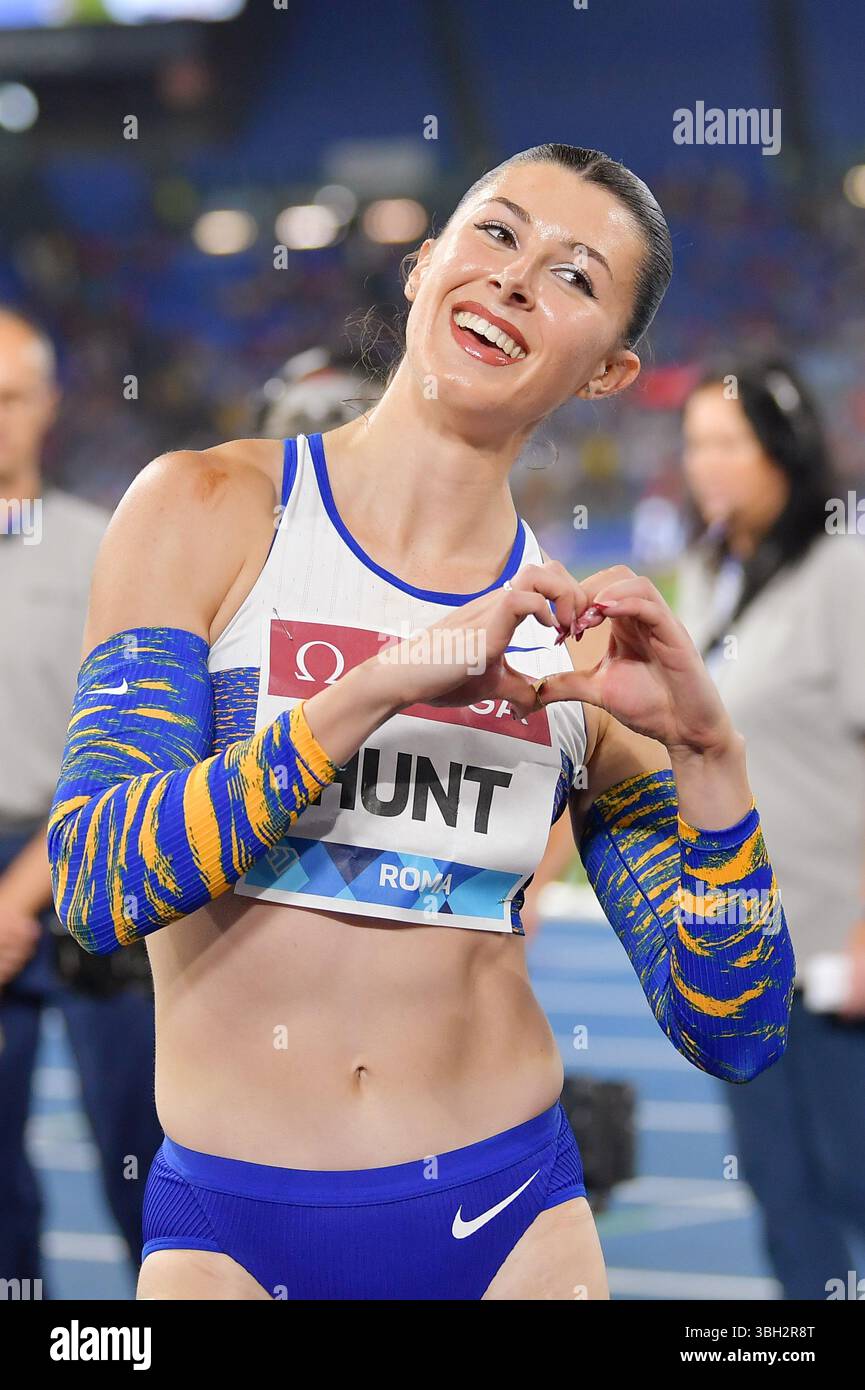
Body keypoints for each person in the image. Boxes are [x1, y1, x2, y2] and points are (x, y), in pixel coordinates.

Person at [47, 145, 795, 1301]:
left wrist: (707, 756)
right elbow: (99, 886)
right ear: (422, 264)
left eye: (574, 276)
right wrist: (385, 682)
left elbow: (734, 1025)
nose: (511, 278)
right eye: (493, 234)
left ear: (609, 372)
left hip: (514, 1226)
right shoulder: (204, 509)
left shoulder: (579, 650)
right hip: (231, 1230)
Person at [677, 356, 865, 1300]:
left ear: (782, 451)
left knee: (854, 1183)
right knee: (783, 1199)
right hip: (753, 954)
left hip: (842, 956)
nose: (703, 465)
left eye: (726, 442)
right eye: (694, 445)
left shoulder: (844, 568)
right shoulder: (714, 580)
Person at [0, 307, 163, 1293]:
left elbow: (133, 745)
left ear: (50, 405)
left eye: (11, 396)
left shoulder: (105, 546)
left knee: (139, 1153)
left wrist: (21, 891)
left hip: (84, 856)